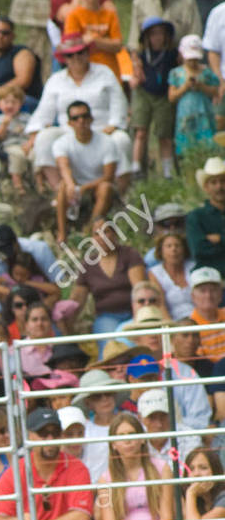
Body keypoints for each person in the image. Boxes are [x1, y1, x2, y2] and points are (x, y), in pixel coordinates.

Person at [0, 406, 94, 520]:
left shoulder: (77, 468)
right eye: (43, 433)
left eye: (55, 433)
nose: (50, 439)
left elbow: (82, 517)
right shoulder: (15, 471)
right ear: (29, 436)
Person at [23, 36, 131, 193]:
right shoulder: (56, 80)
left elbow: (119, 103)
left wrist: (113, 126)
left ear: (87, 53)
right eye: (70, 55)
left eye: (80, 53)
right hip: (68, 132)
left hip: (101, 130)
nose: (76, 58)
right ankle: (61, 192)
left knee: (122, 140)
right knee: (44, 138)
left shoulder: (105, 73)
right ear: (64, 58)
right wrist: (34, 133)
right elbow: (43, 111)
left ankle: (118, 194)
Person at [97, 412, 172, 520]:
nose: (128, 440)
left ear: (142, 439)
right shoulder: (105, 480)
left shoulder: (162, 469)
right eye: (121, 436)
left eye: (132, 435)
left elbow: (167, 518)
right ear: (114, 445)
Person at [67, 216, 146, 346]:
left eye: (106, 231)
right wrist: (66, 323)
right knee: (110, 348)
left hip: (133, 312)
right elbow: (77, 301)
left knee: (131, 343)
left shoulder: (129, 254)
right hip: (106, 316)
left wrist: (139, 318)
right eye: (96, 234)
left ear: (115, 233)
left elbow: (140, 290)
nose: (102, 237)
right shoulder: (87, 264)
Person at [53, 99, 117, 243]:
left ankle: (89, 231)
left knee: (105, 188)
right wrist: (71, 185)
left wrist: (84, 188)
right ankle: (62, 234)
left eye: (85, 116)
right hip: (76, 186)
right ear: (70, 123)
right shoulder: (62, 143)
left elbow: (109, 176)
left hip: (97, 187)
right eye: (76, 118)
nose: (81, 121)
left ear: (91, 118)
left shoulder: (107, 142)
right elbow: (64, 166)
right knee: (63, 185)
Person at [130, 17, 178, 178]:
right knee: (141, 131)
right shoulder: (142, 55)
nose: (157, 37)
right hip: (145, 93)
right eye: (153, 34)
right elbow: (134, 73)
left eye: (160, 34)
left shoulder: (172, 54)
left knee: (164, 134)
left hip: (164, 95)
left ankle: (167, 171)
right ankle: (136, 167)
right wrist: (135, 75)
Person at [64, 0, 123, 78]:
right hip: (86, 74)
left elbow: (118, 45)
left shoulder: (110, 15)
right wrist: (106, 42)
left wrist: (94, 40)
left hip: (111, 71)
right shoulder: (73, 16)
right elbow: (73, 47)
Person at [168, 34, 219, 159]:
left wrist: (201, 86)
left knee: (208, 147)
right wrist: (185, 87)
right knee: (187, 148)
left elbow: (215, 91)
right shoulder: (176, 74)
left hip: (204, 114)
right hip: (185, 116)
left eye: (195, 59)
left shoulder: (206, 72)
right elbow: (172, 97)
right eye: (190, 59)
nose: (192, 62)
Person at [72, 369, 119, 485]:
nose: (104, 399)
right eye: (97, 396)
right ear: (88, 403)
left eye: (108, 393)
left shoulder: (129, 424)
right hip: (93, 488)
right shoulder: (83, 430)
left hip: (124, 488)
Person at [187, 158, 225, 275]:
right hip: (212, 279)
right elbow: (199, 250)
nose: (219, 187)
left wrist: (220, 239)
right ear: (206, 187)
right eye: (214, 182)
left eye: (223, 181)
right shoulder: (196, 217)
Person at [148, 232, 194, 321]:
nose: (174, 249)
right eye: (169, 246)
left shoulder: (193, 267)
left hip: (198, 319)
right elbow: (160, 304)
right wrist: (171, 328)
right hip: (172, 321)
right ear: (161, 251)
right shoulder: (155, 273)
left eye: (177, 245)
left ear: (184, 249)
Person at [188, 267, 225, 365]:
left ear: (221, 294)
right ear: (193, 296)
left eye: (213, 290)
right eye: (202, 291)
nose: (208, 295)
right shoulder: (189, 326)